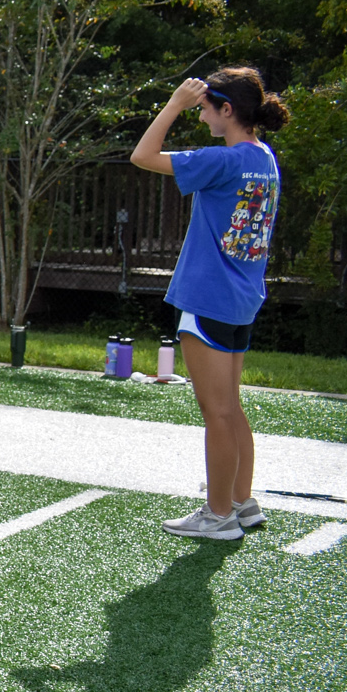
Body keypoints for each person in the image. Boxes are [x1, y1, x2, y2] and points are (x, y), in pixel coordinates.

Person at [130, 67, 287, 540]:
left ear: (227, 109)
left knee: (215, 412)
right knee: (230, 406)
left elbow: (142, 155)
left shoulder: (222, 160)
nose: (200, 116)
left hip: (208, 297)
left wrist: (174, 104)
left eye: (204, 109)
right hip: (241, 298)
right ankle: (240, 502)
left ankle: (218, 516)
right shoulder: (264, 157)